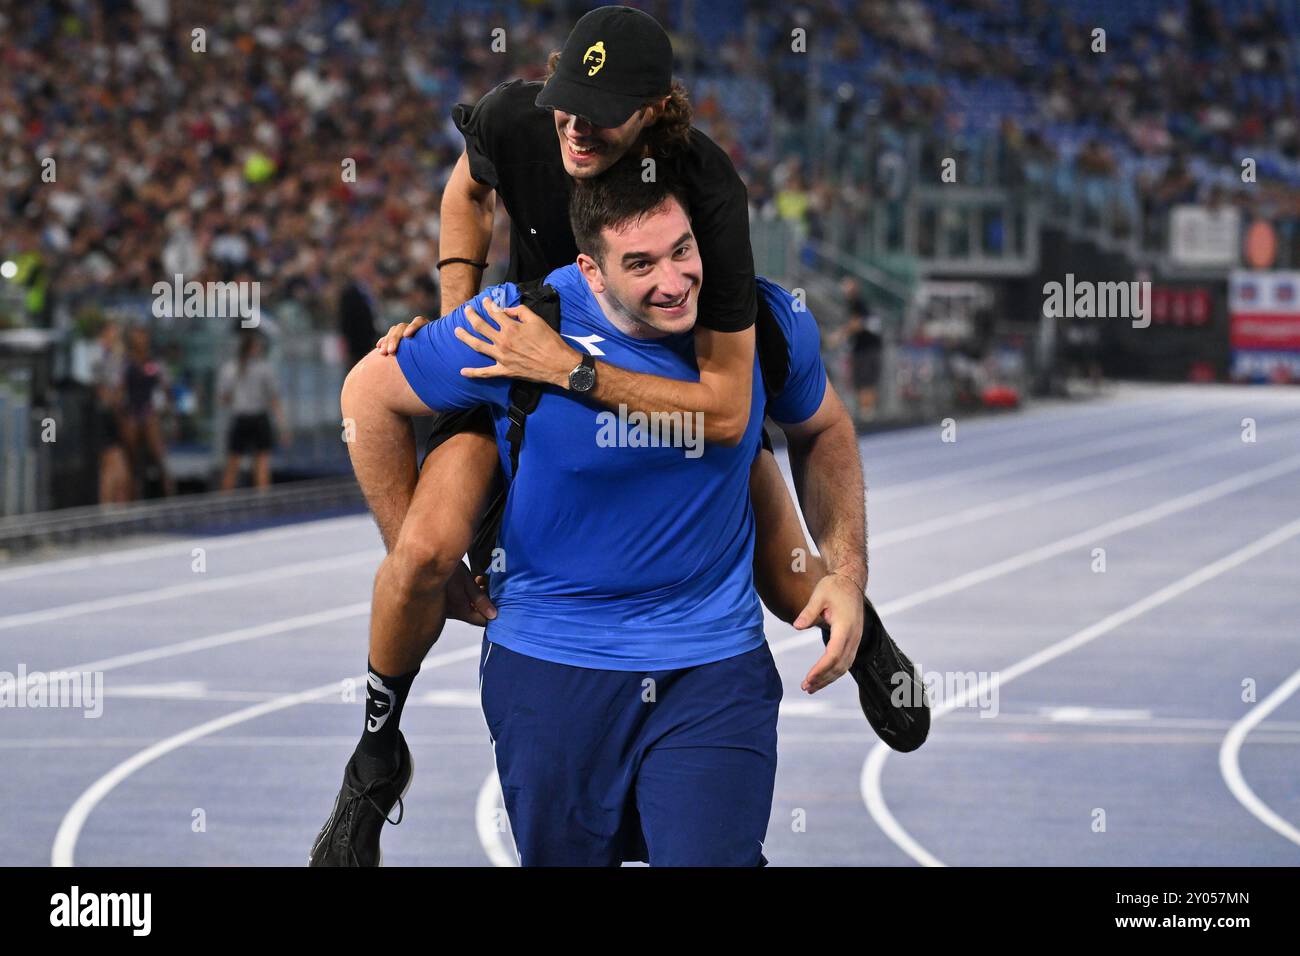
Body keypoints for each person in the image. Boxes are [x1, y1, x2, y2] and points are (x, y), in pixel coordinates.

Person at [324, 166, 851, 866]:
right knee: (420, 555)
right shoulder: (521, 322)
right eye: (640, 264)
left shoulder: (762, 321)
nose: (672, 281)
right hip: (551, 668)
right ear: (591, 271)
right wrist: (420, 552)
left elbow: (825, 430)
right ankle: (375, 752)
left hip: (712, 667)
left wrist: (848, 571)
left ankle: (868, 637)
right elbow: (368, 394)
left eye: (682, 251)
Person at [217, 331, 287, 491]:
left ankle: (224, 503)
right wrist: (282, 426)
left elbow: (223, 398)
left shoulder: (230, 368)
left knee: (235, 464)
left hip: (242, 418)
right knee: (260, 463)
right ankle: (262, 501)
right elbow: (274, 399)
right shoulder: (264, 368)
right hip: (258, 419)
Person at [121, 326, 173, 498]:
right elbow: (119, 388)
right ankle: (132, 497)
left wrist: (166, 408)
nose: (141, 340)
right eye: (138, 336)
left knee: (160, 457)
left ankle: (169, 496)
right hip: (131, 412)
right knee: (131, 461)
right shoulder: (126, 361)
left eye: (144, 335)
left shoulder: (153, 362)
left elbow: (166, 386)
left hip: (149, 411)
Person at [91, 321, 132, 504]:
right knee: (112, 466)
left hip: (114, 416)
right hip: (105, 416)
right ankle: (107, 509)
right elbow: (104, 390)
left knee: (118, 468)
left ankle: (113, 509)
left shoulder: (116, 358)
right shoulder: (101, 357)